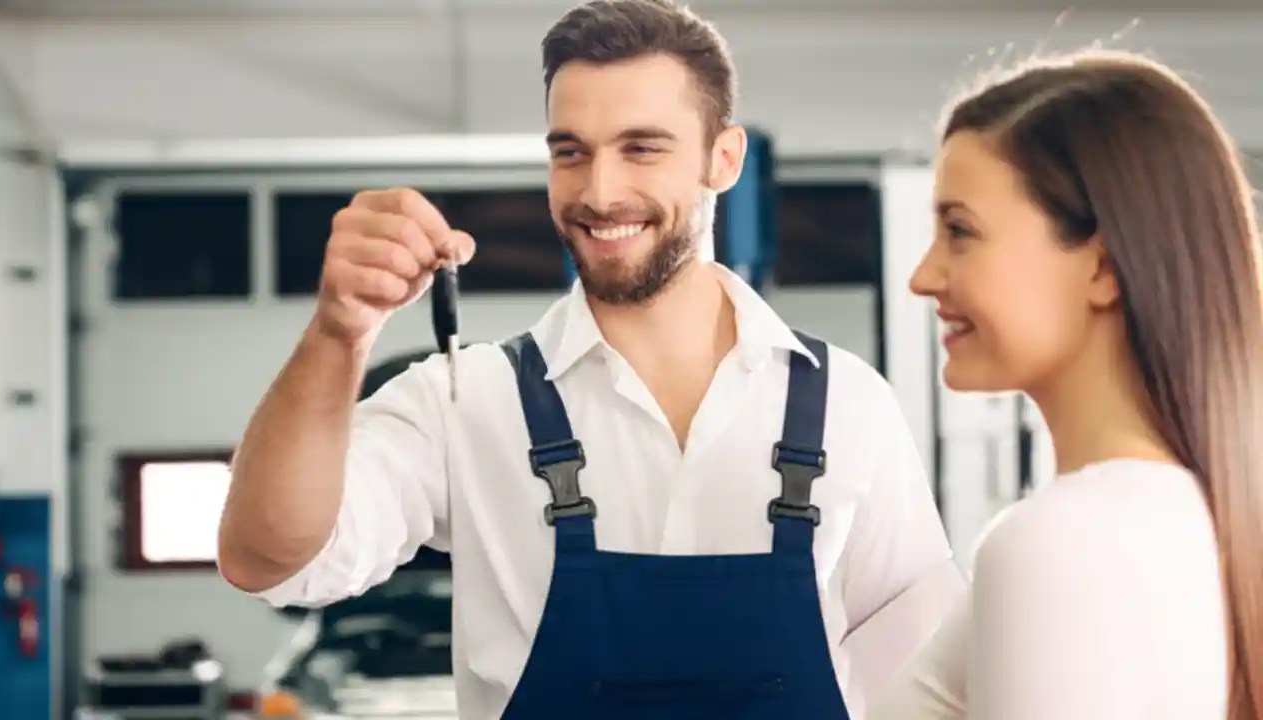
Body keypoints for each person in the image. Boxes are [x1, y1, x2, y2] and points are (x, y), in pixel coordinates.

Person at [217, 0, 964, 718]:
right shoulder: (467, 400)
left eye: (642, 147)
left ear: (723, 159)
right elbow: (268, 558)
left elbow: (929, 692)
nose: (600, 192)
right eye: (571, 153)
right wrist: (338, 332)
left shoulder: (845, 406)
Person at [870, 49, 1263, 720]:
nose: (923, 277)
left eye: (960, 231)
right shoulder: (1196, 514)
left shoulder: (1061, 542)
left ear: (1103, 267)